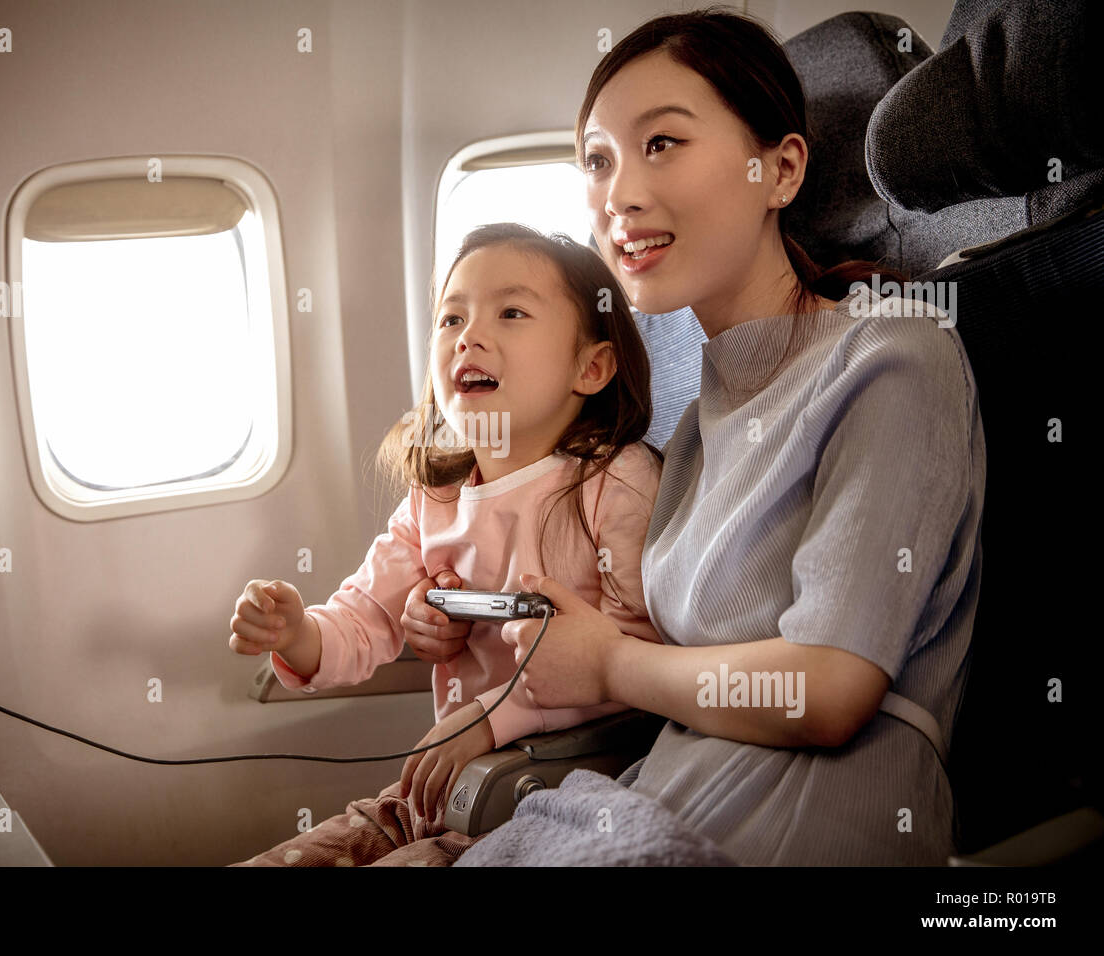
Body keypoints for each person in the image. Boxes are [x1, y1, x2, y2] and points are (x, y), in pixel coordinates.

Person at [406, 9, 986, 866]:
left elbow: (830, 688)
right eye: (598, 162)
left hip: (805, 817)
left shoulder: (894, 353)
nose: (619, 195)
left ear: (780, 169)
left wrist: (606, 666)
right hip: (658, 796)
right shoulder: (696, 420)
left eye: (662, 144)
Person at [227, 223, 665, 866]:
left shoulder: (612, 483)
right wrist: (297, 632)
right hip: (438, 793)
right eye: (451, 317)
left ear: (590, 366)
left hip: (561, 786)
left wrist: (493, 719)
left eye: (511, 312)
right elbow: (363, 616)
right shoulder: (436, 496)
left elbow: (639, 659)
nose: (469, 336)